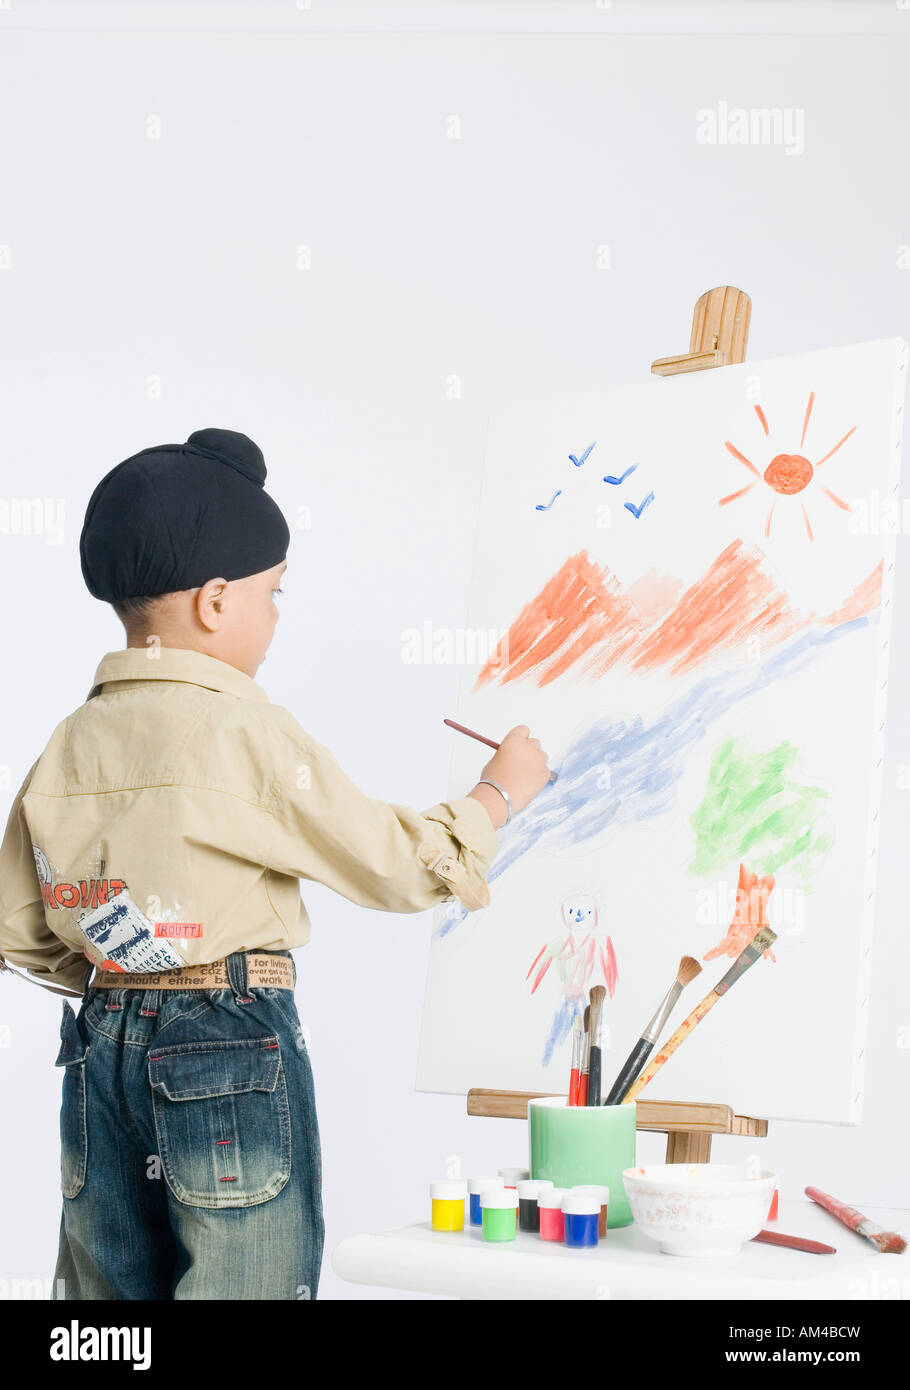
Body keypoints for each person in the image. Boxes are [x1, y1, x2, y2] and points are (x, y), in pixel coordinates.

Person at [0, 427, 551, 1300]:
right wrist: (497, 794)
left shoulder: (69, 742)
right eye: (274, 594)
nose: (277, 616)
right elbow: (394, 867)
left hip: (99, 1046)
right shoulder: (244, 733)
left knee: (104, 1315)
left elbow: (20, 929)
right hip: (225, 1042)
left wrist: (130, 969)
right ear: (217, 602)